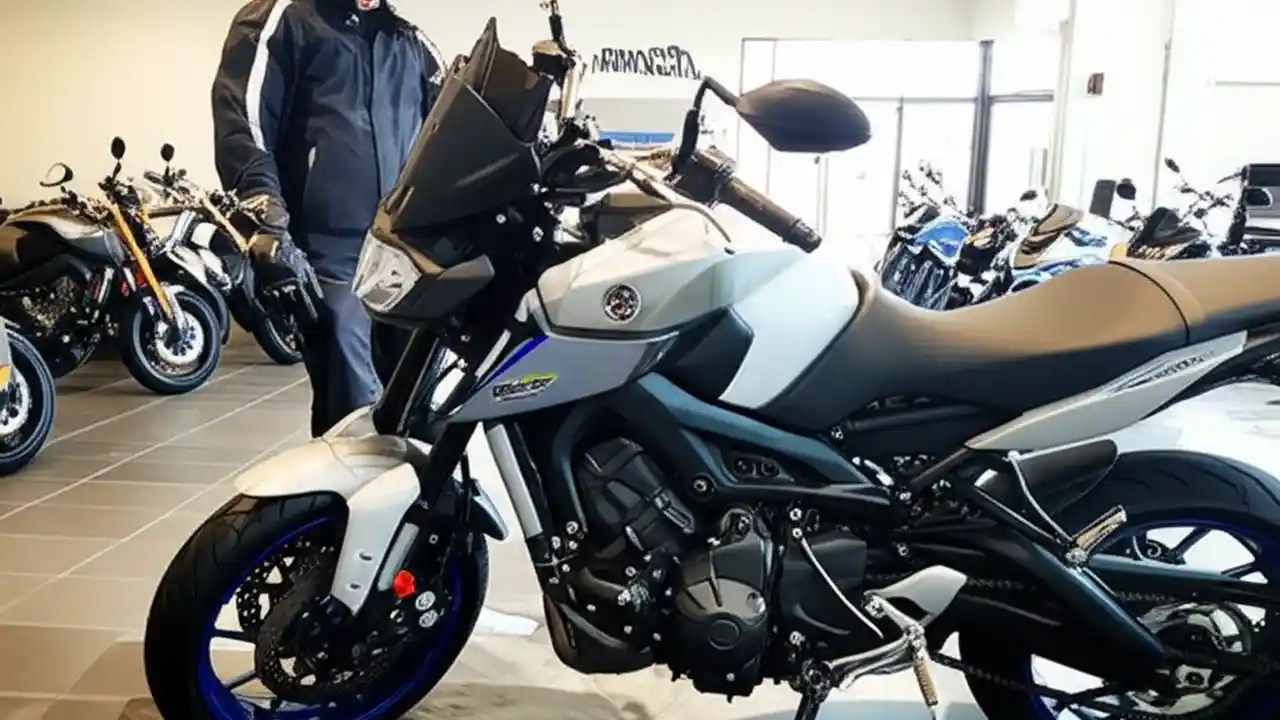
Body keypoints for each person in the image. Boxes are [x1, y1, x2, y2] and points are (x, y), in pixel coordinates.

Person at [212, 0, 444, 436]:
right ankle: (355, 495)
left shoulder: (408, 40)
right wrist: (264, 207)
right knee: (353, 407)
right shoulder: (283, 19)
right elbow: (244, 120)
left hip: (406, 250)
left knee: (420, 409)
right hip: (328, 254)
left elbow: (450, 126)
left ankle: (421, 498)